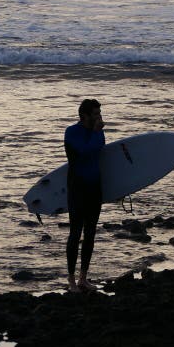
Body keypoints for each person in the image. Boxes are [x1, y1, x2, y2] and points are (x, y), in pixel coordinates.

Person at [64, 99, 105, 292]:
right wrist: (96, 132)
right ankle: (71, 280)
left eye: (99, 113)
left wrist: (97, 132)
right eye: (95, 114)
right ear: (85, 116)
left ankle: (83, 278)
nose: (99, 117)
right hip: (77, 188)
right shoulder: (71, 132)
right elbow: (85, 150)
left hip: (95, 187)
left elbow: (100, 148)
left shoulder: (97, 131)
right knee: (75, 233)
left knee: (90, 233)